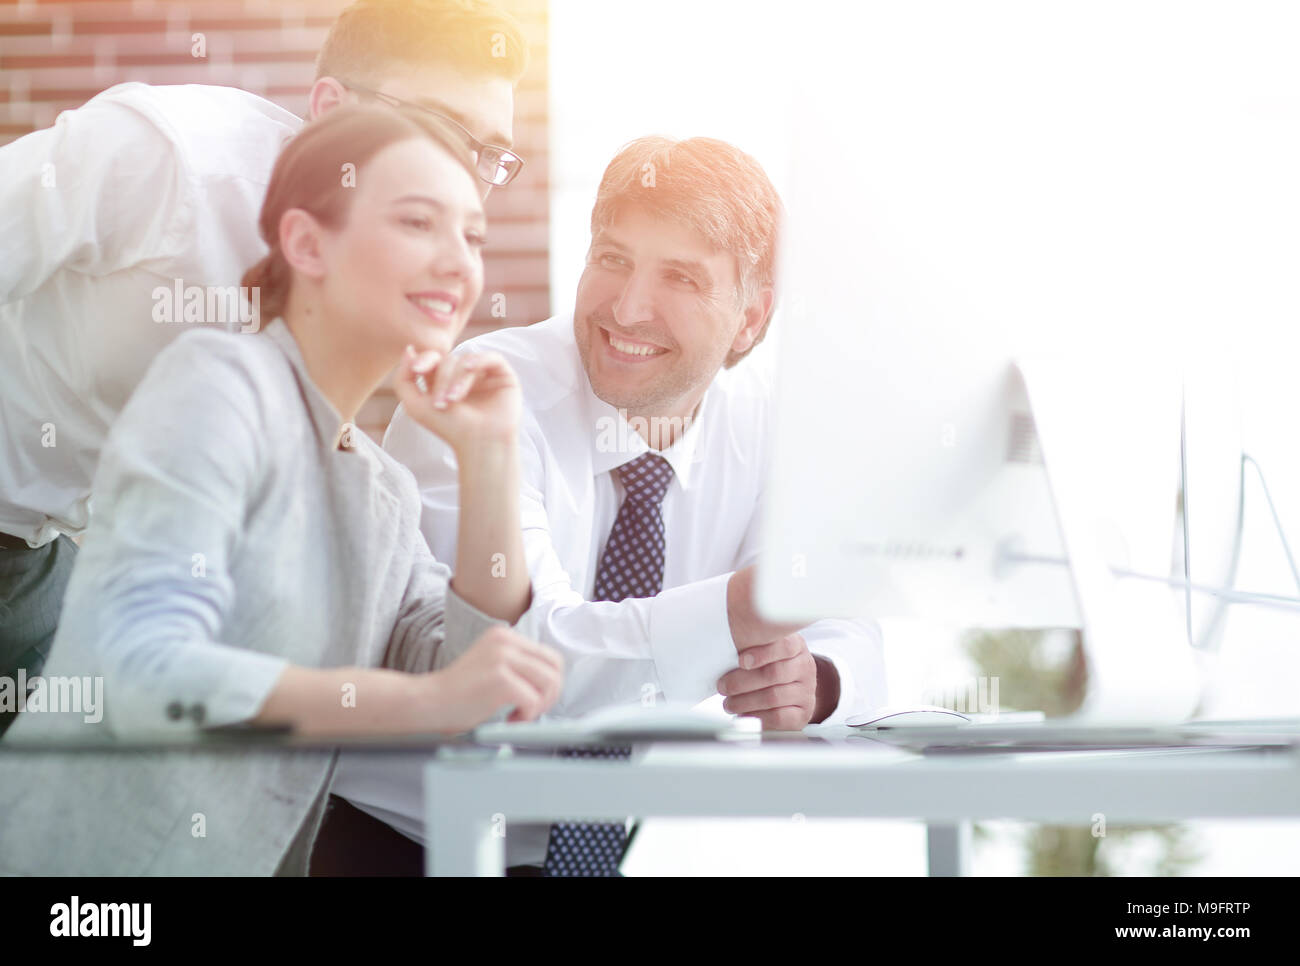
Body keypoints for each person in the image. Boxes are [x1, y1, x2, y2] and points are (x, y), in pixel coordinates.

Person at [0, 104, 562, 876]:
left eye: (472, 235)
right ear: (305, 242)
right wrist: (432, 704)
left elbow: (476, 689)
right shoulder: (217, 383)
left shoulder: (383, 493)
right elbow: (143, 671)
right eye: (418, 222)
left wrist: (490, 455)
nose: (458, 261)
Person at [326, 136, 887, 875]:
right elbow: (523, 670)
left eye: (680, 277)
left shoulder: (768, 429)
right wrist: (745, 612)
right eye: (613, 259)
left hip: (580, 855)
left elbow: (856, 632)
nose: (627, 309)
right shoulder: (485, 394)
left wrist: (816, 681)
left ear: (750, 319)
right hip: (388, 838)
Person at [0, 0, 529, 734]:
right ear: (329, 110)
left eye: (489, 158)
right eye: (440, 130)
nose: (465, 180)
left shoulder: (357, 356)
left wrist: (490, 456)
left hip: (37, 552)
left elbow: (458, 664)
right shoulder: (169, 157)